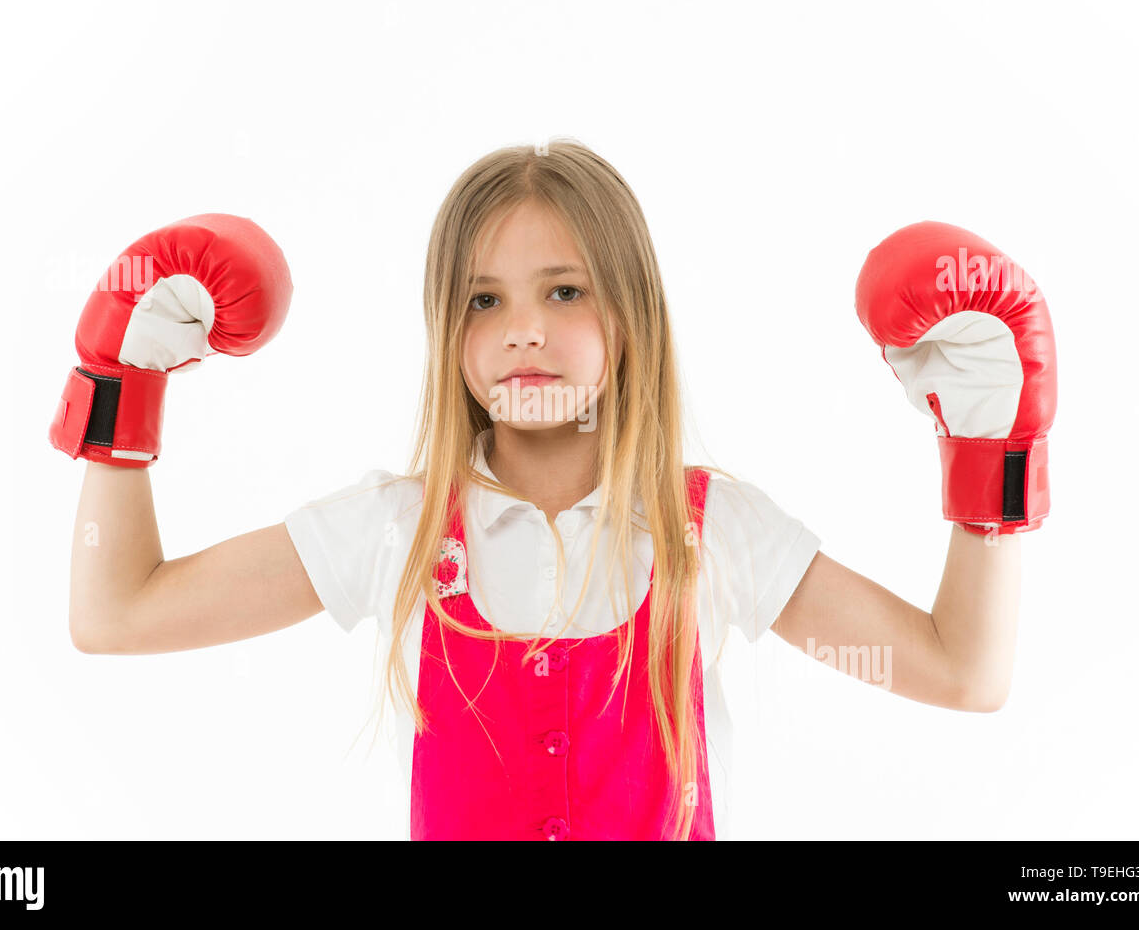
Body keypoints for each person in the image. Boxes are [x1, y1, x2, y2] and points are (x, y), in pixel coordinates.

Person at [57, 139, 1056, 841]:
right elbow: (119, 611)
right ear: (448, 333)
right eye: (483, 299)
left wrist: (990, 447)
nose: (523, 329)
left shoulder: (707, 529)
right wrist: (121, 393)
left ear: (631, 320)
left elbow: (963, 672)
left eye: (563, 290)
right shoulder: (398, 529)